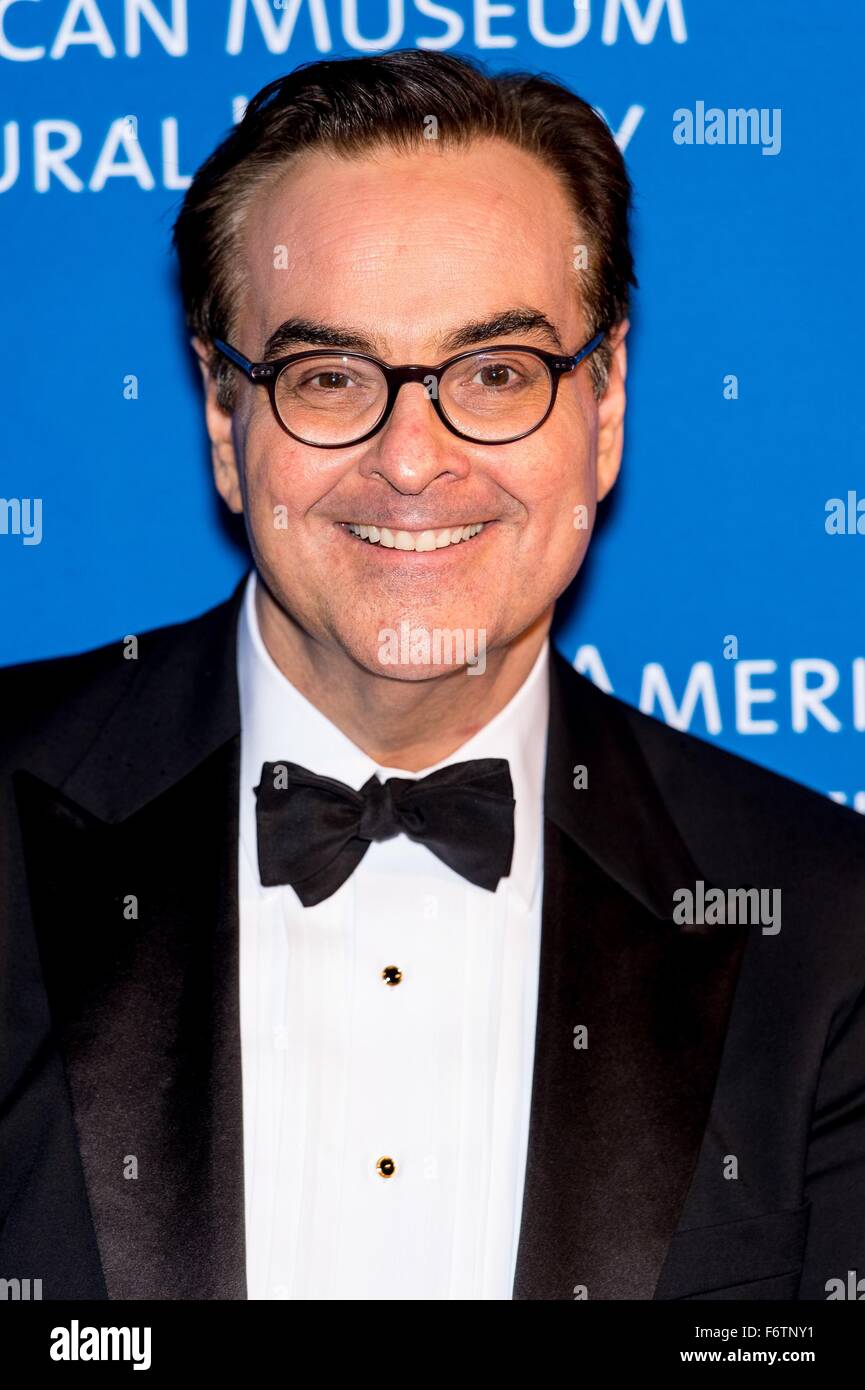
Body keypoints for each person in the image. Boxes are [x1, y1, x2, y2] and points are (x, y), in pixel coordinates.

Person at [1, 50, 863, 1303]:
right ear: (221, 420)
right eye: (330, 379)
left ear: (605, 406)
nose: (412, 460)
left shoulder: (826, 927)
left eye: (498, 374)